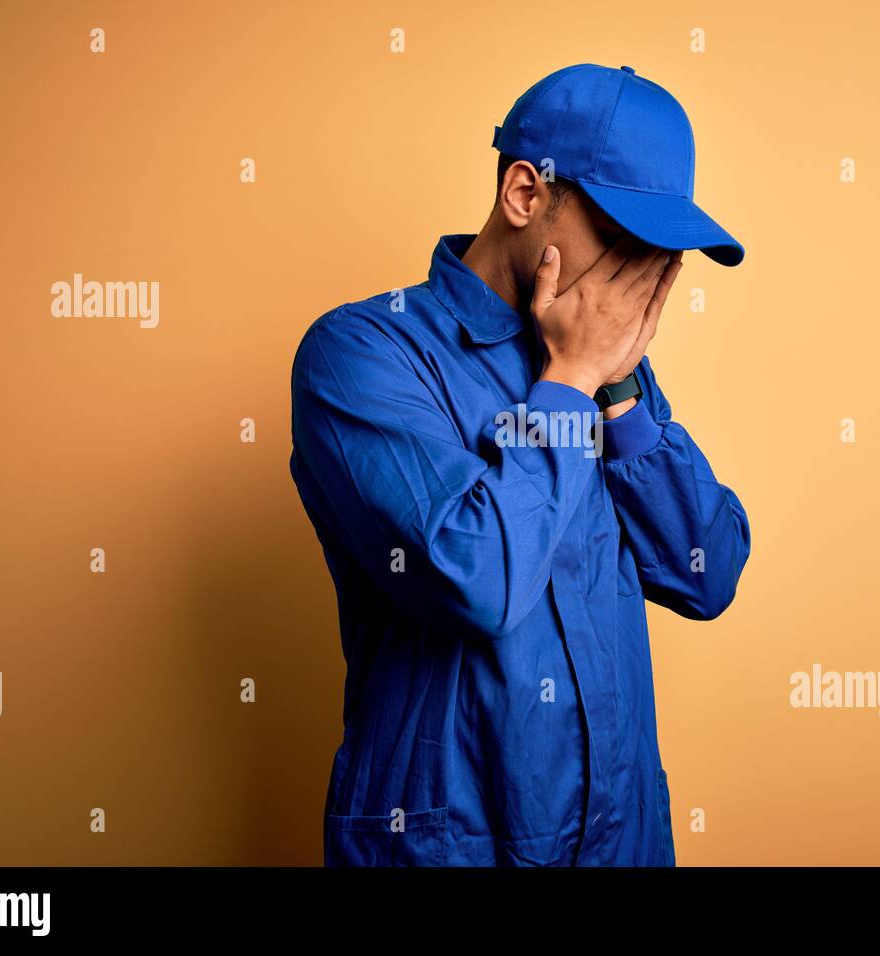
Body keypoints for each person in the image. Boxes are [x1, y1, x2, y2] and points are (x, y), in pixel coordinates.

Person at [289, 63, 750, 866]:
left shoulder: (607, 373)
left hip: (621, 840)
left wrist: (618, 390)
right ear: (525, 194)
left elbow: (706, 575)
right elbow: (478, 576)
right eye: (618, 240)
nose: (632, 284)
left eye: (659, 254)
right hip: (448, 841)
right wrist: (568, 383)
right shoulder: (363, 354)